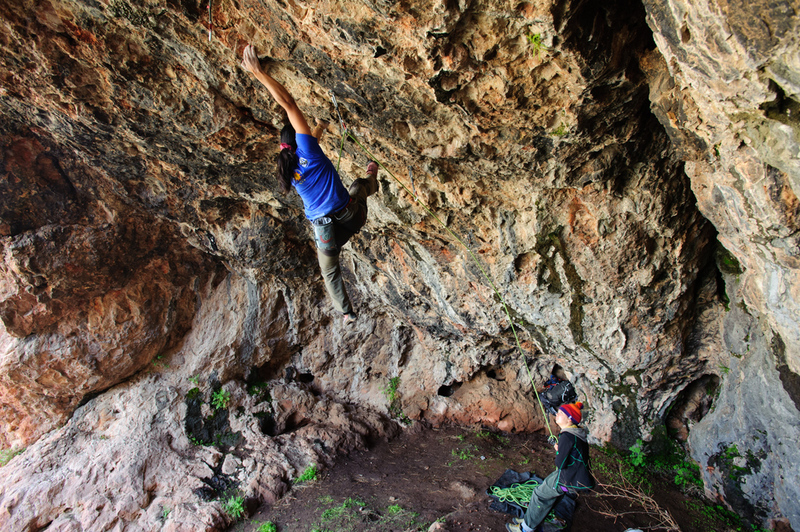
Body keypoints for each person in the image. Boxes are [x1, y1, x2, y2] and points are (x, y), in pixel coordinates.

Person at [240, 44, 379, 324]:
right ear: (299, 140)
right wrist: (257, 72)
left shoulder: (289, 168)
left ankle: (347, 313)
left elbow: (312, 140)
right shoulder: (309, 152)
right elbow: (289, 104)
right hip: (351, 215)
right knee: (360, 186)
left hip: (325, 230)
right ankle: (373, 175)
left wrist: (321, 128)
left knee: (330, 272)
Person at [506, 402, 595, 532]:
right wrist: (561, 449)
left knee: (539, 495)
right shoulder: (577, 433)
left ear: (569, 418)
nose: (557, 414)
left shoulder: (567, 436)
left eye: (561, 413)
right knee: (544, 493)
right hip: (573, 476)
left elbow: (560, 463)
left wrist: (560, 451)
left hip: (567, 478)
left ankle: (526, 528)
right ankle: (529, 519)